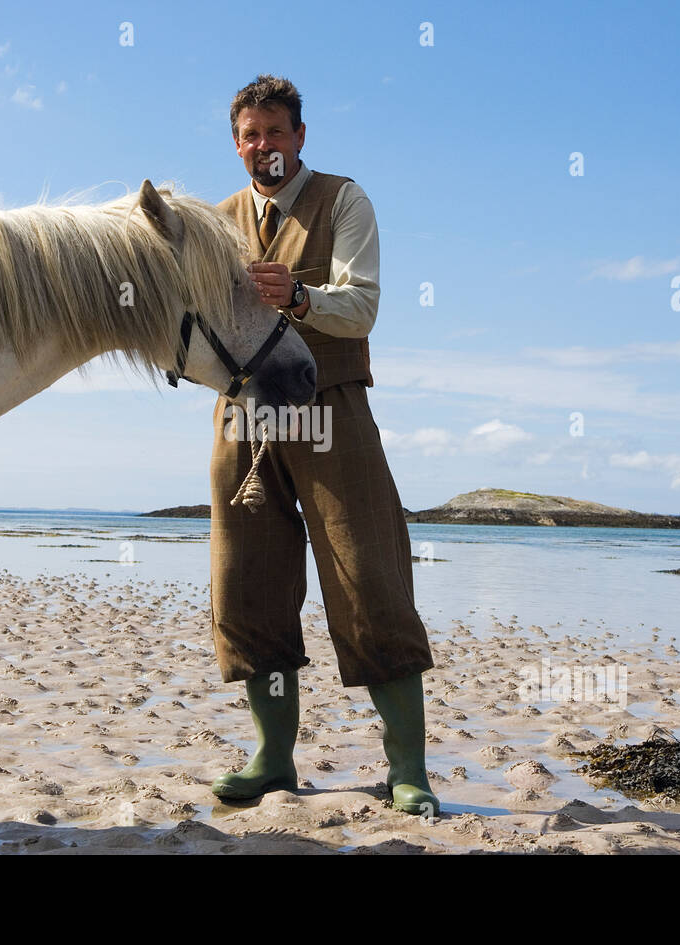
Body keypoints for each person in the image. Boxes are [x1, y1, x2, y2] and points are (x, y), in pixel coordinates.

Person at [208, 74, 439, 816]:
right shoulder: (215, 220)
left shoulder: (344, 200)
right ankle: (273, 758)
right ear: (236, 142)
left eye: (276, 132)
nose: (263, 146)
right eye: (251, 134)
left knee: (369, 578)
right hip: (243, 419)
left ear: (300, 136)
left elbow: (364, 304)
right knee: (248, 587)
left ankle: (408, 770)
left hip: (330, 408)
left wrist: (301, 298)